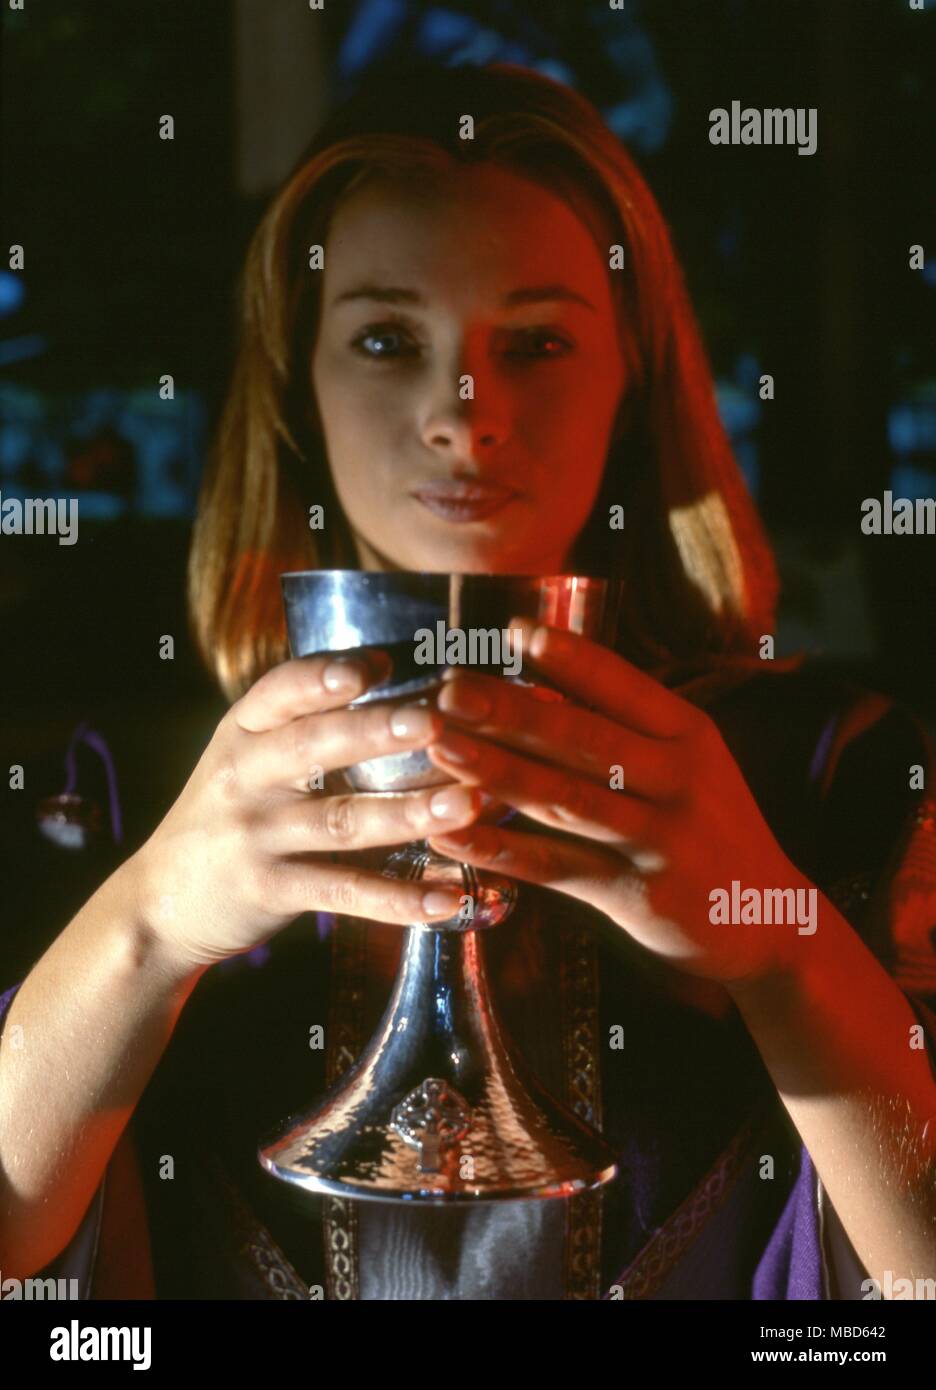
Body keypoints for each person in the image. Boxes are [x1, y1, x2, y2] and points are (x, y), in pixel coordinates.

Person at [1, 61, 934, 1301]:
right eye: (388, 338)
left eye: (537, 340)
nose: (463, 413)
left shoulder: (842, 775)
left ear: (634, 384)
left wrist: (782, 944)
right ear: (296, 389)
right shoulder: (113, 794)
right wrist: (149, 929)